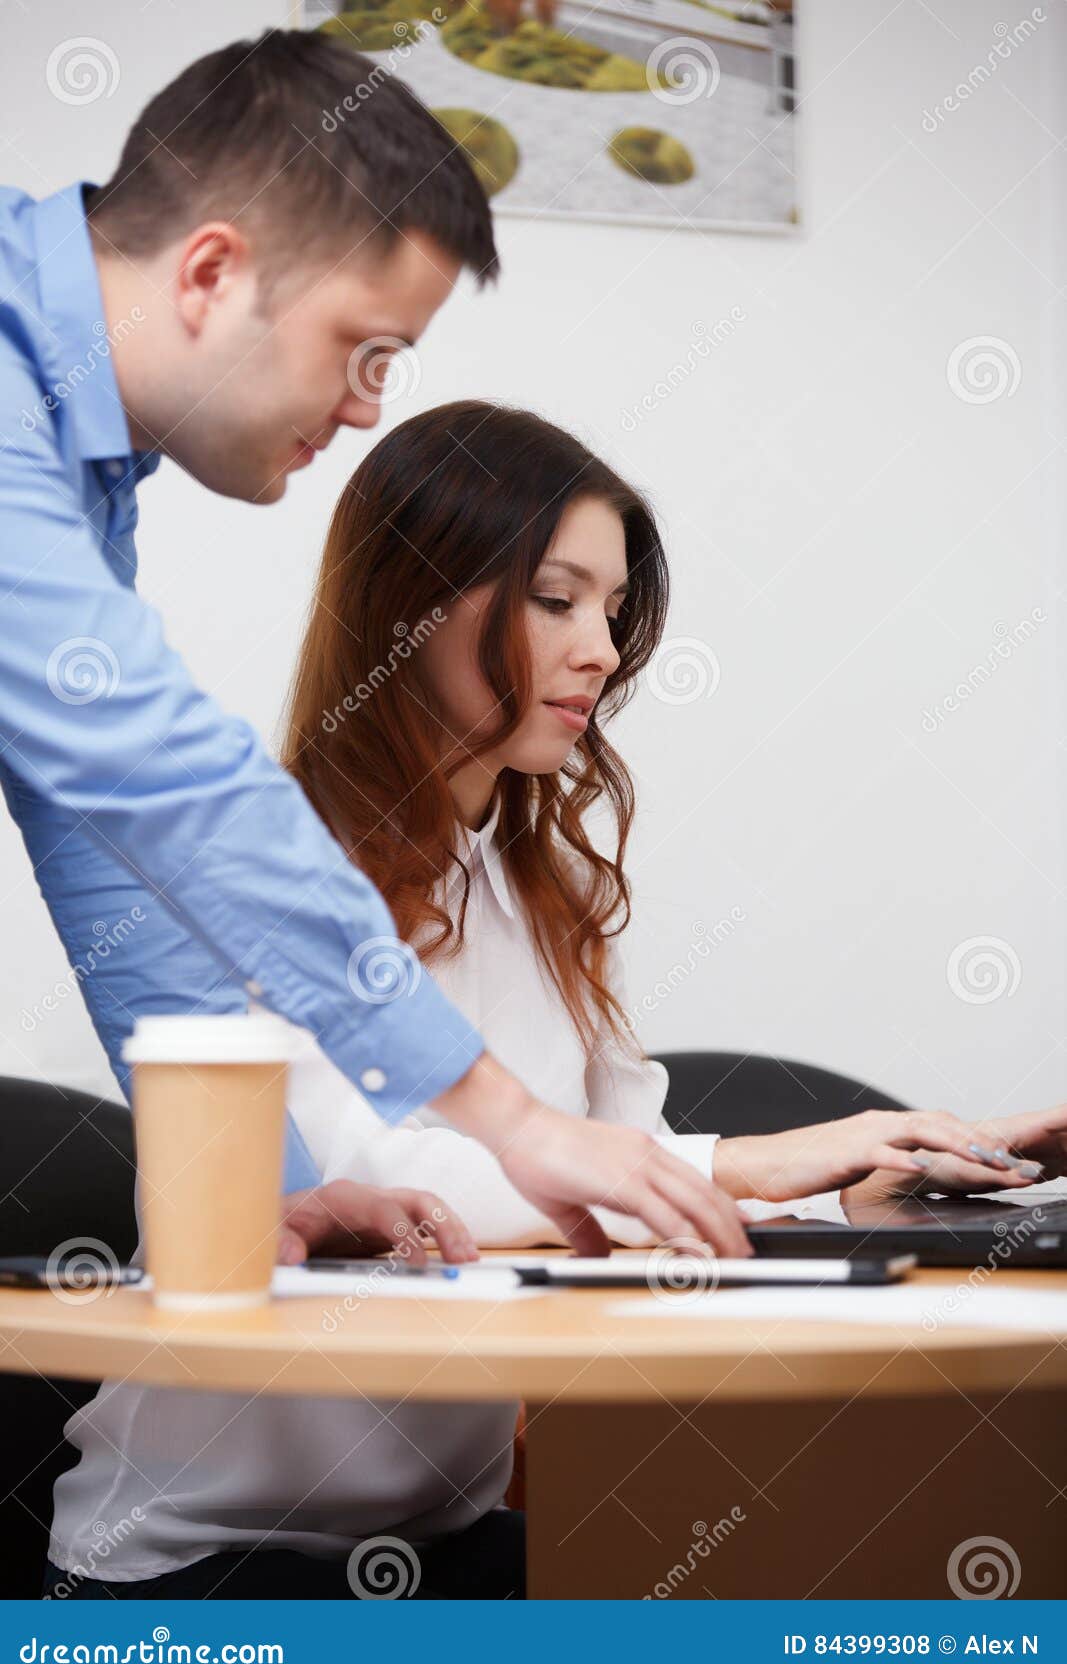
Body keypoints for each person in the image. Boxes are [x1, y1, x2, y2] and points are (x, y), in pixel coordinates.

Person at [46, 404, 1058, 1600]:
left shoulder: (553, 888)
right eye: (555, 598)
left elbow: (631, 1174)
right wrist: (751, 1157)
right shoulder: (277, 861)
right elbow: (389, 1172)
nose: (601, 649)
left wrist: (867, 1196)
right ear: (409, 603)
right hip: (198, 1561)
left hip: (435, 1542)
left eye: (612, 612)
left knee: (859, 1617)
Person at [0, 28, 745, 1262]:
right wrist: (509, 1117)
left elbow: (108, 853)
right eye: (364, 350)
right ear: (210, 275)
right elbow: (166, 776)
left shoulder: (79, 455)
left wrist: (265, 1184)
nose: (365, 407)